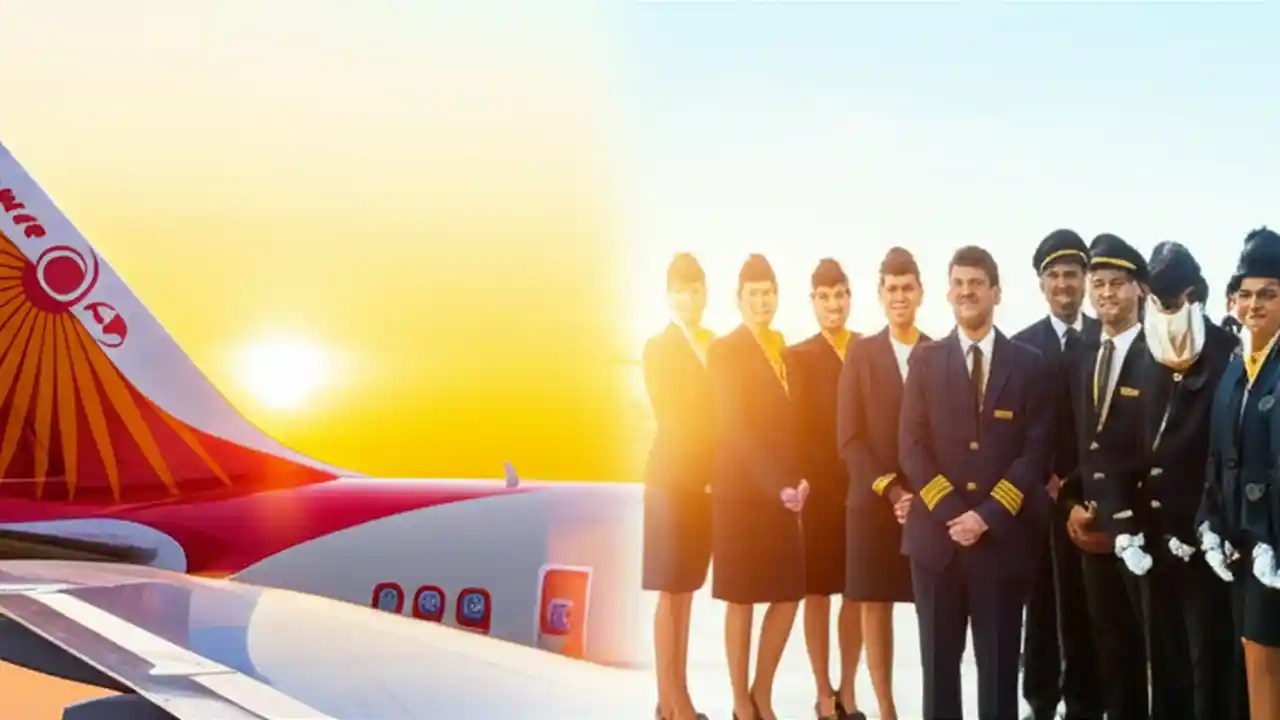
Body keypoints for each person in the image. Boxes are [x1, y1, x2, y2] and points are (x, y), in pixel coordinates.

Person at [898, 245, 1052, 720]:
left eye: (977, 284)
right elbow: (911, 445)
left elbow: (1036, 450)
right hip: (936, 547)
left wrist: (986, 517)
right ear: (948, 293)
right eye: (959, 283)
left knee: (1000, 677)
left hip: (1001, 544)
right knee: (939, 677)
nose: (967, 292)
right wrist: (952, 515)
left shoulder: (1028, 363)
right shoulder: (924, 361)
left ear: (996, 293)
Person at [1135, 241, 1241, 720]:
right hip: (1155, 537)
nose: (1162, 311)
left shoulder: (1225, 353)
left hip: (1204, 539)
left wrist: (1203, 520)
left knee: (1209, 662)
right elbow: (1129, 437)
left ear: (1194, 296)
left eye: (1172, 301)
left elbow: (1225, 450)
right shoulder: (1146, 346)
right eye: (1155, 302)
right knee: (1166, 659)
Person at [708, 253, 808, 720]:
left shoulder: (783, 350)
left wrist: (800, 478)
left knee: (790, 593)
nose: (762, 301)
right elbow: (734, 428)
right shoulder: (725, 351)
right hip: (739, 492)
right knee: (742, 598)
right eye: (754, 294)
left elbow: (793, 425)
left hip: (783, 492)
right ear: (739, 299)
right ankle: (739, 703)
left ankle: (761, 690)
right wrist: (775, 485)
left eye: (769, 293)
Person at [1010, 229, 1104, 720]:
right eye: (1055, 275)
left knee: (1091, 604)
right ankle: (1040, 701)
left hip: (1093, 496)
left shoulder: (1105, 338)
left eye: (1072, 274)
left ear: (1086, 279)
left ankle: (1088, 704)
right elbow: (1017, 424)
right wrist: (1044, 479)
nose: (1064, 284)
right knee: (1041, 605)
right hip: (1039, 497)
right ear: (1041, 283)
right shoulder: (1022, 347)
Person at [1058, 233, 1151, 720]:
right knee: (1110, 650)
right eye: (1099, 284)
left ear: (1138, 290)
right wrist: (1072, 501)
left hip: (1143, 532)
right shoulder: (1086, 360)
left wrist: (1121, 513)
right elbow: (1084, 447)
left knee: (1157, 655)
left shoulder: (1159, 355)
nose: (1107, 294)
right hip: (1093, 532)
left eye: (1117, 283)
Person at [835, 247, 927, 720]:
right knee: (874, 603)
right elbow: (849, 438)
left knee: (933, 606)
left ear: (921, 292)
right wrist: (893, 491)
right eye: (891, 288)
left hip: (928, 502)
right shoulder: (861, 353)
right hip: (872, 503)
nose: (899, 296)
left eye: (907, 287)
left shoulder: (938, 350)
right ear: (879, 294)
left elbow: (947, 433)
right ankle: (886, 709)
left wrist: (920, 494)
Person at [1199, 226, 1280, 719]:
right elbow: (1217, 455)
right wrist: (1209, 520)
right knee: (1251, 670)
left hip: (1272, 546)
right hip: (1242, 550)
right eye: (1246, 295)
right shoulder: (1236, 365)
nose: (1255, 304)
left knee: (1267, 671)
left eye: (1269, 294)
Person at [640, 253, 715, 720]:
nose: (690, 299)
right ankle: (673, 701)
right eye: (681, 291)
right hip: (671, 481)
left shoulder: (714, 345)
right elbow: (672, 415)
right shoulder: (658, 347)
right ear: (670, 296)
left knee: (686, 588)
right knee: (671, 589)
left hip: (702, 485)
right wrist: (703, 470)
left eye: (696, 290)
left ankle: (673, 698)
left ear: (705, 292)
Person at [785, 258, 860, 720]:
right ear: (812, 301)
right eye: (824, 296)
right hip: (817, 489)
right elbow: (792, 427)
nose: (833, 304)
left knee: (857, 591)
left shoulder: (867, 350)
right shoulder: (798, 356)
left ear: (851, 297)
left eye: (840, 295)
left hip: (860, 487)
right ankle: (821, 690)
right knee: (817, 592)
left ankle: (848, 688)